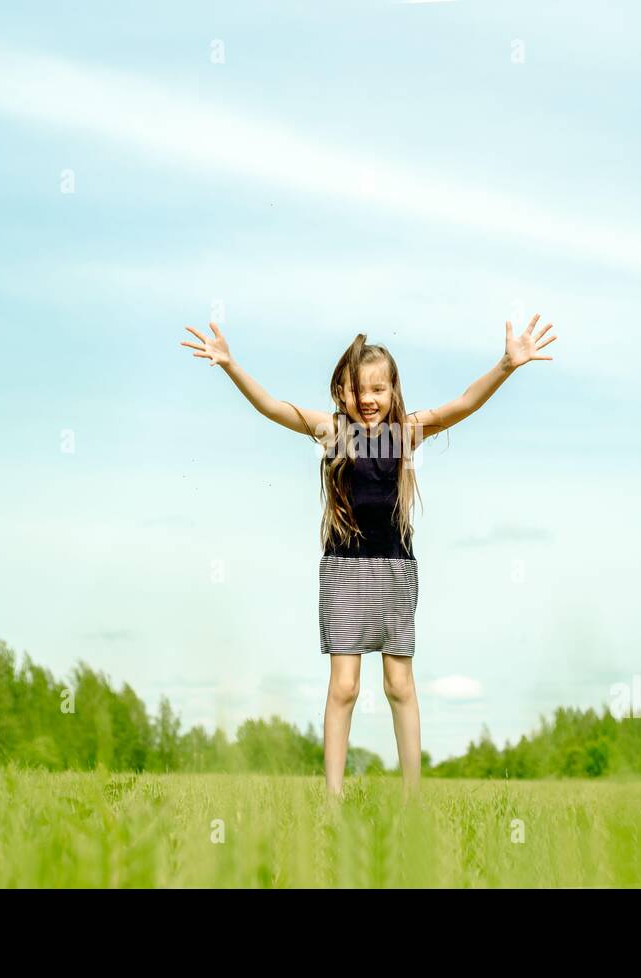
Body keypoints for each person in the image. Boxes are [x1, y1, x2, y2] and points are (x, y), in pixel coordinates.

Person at [180, 315, 557, 802]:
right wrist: (231, 365)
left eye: (379, 388)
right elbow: (273, 408)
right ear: (346, 391)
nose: (370, 398)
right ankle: (333, 799)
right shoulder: (334, 433)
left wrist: (506, 365)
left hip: (396, 569)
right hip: (343, 571)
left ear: (393, 389)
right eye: (360, 389)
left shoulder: (406, 433)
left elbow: (463, 403)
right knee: (344, 688)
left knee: (400, 685)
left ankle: (412, 798)